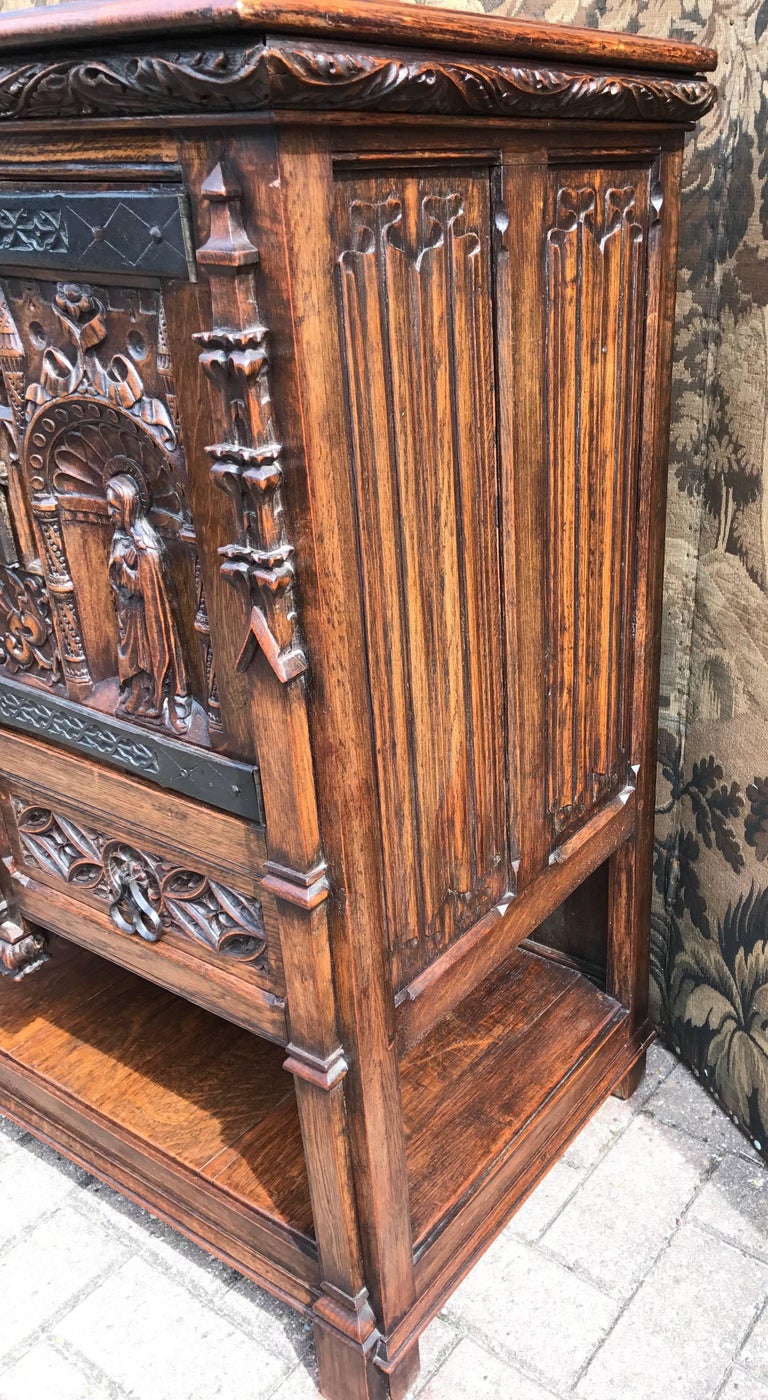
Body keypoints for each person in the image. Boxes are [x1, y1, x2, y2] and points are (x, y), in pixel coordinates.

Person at [106, 472, 190, 734]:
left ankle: (154, 701)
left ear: (128, 509)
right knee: (129, 661)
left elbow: (144, 587)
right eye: (109, 507)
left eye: (114, 508)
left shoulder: (146, 547)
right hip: (127, 615)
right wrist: (118, 570)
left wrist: (124, 569)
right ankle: (133, 700)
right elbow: (116, 582)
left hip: (145, 618)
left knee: (148, 660)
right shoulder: (119, 539)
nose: (109, 514)